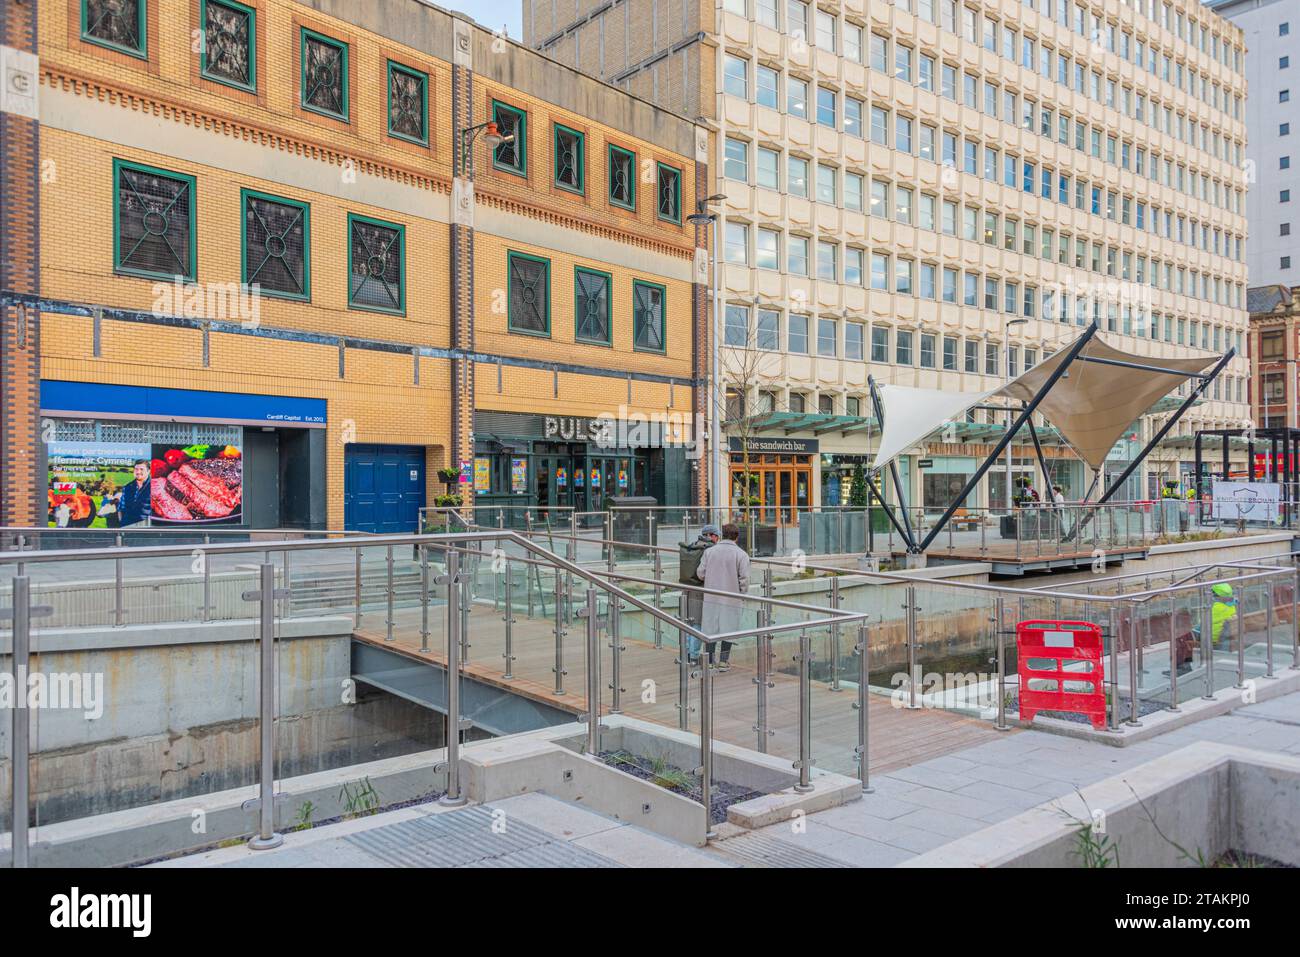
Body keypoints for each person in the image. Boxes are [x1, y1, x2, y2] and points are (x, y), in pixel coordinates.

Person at [694, 523, 750, 671]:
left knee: (710, 627)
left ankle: (710, 661)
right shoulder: (742, 555)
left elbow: (700, 573)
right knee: (729, 628)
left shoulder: (710, 552)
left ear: (722, 535)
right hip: (732, 597)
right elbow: (744, 579)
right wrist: (742, 595)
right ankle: (724, 662)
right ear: (737, 537)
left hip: (711, 596)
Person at [680, 524, 720, 662]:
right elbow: (702, 573)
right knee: (698, 624)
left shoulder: (693, 545)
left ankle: (686, 653)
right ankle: (694, 656)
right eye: (717, 536)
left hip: (688, 589)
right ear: (712, 536)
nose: (717, 539)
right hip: (702, 591)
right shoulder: (710, 549)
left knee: (688, 623)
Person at [118, 459, 152, 527]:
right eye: (136, 469)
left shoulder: (153, 486)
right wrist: (122, 524)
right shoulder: (127, 487)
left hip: (145, 527)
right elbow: (121, 508)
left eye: (141, 469)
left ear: (148, 471)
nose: (138, 472)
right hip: (127, 526)